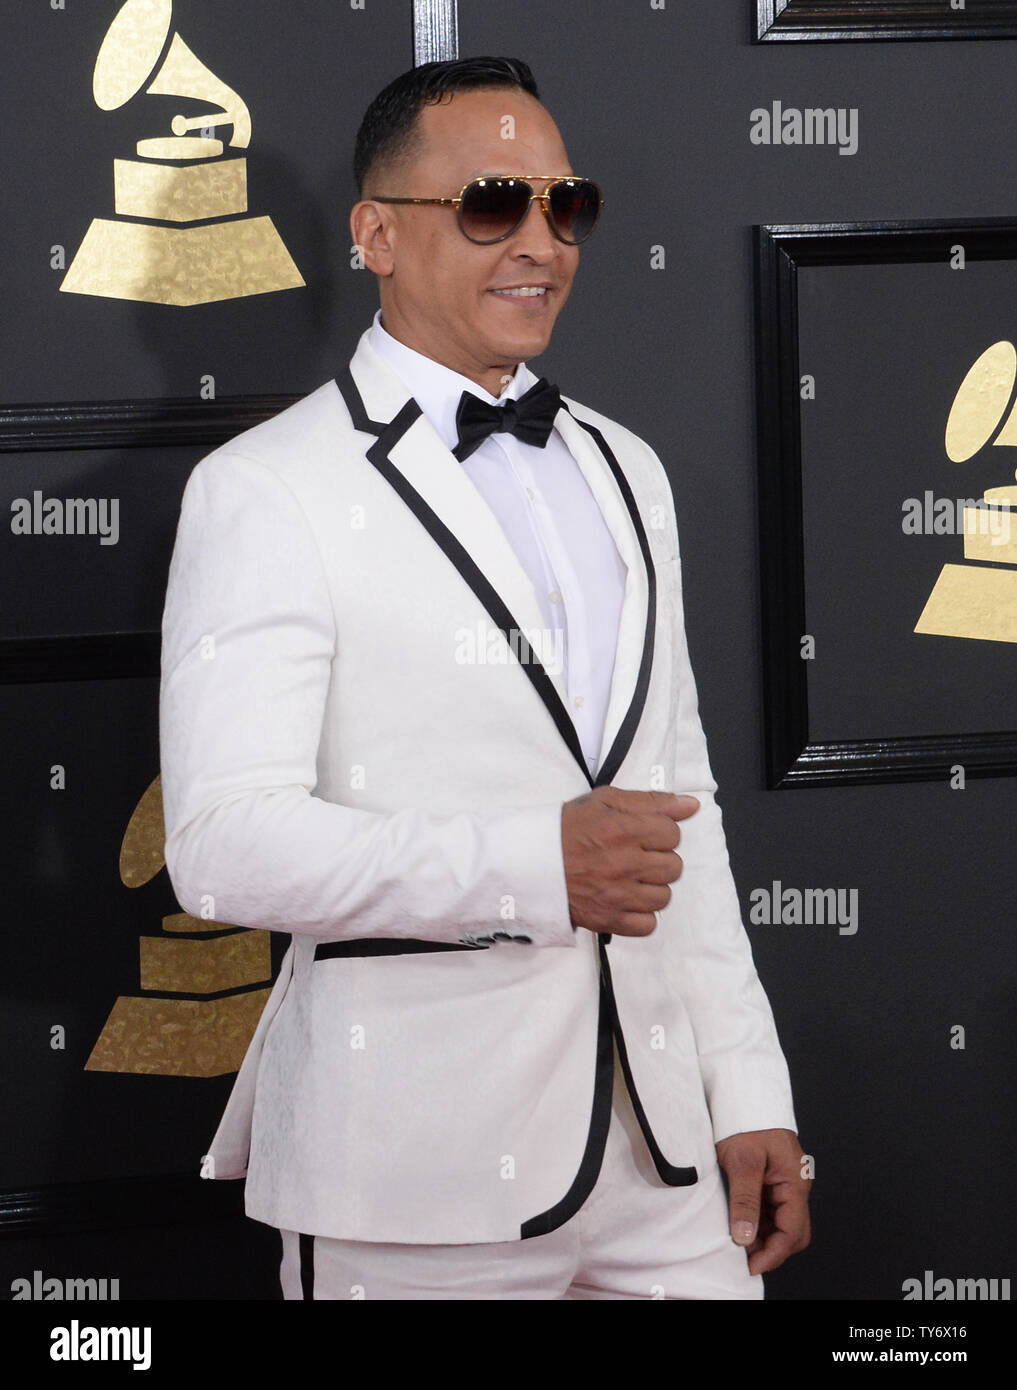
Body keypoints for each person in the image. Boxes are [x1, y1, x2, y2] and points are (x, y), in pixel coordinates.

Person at [159, 56, 811, 1300]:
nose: (541, 241)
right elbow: (223, 844)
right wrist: (531, 863)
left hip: (665, 1159)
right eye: (492, 204)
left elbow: (683, 811)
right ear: (376, 236)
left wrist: (750, 1086)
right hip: (411, 1175)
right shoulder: (264, 488)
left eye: (567, 206)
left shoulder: (632, 469)